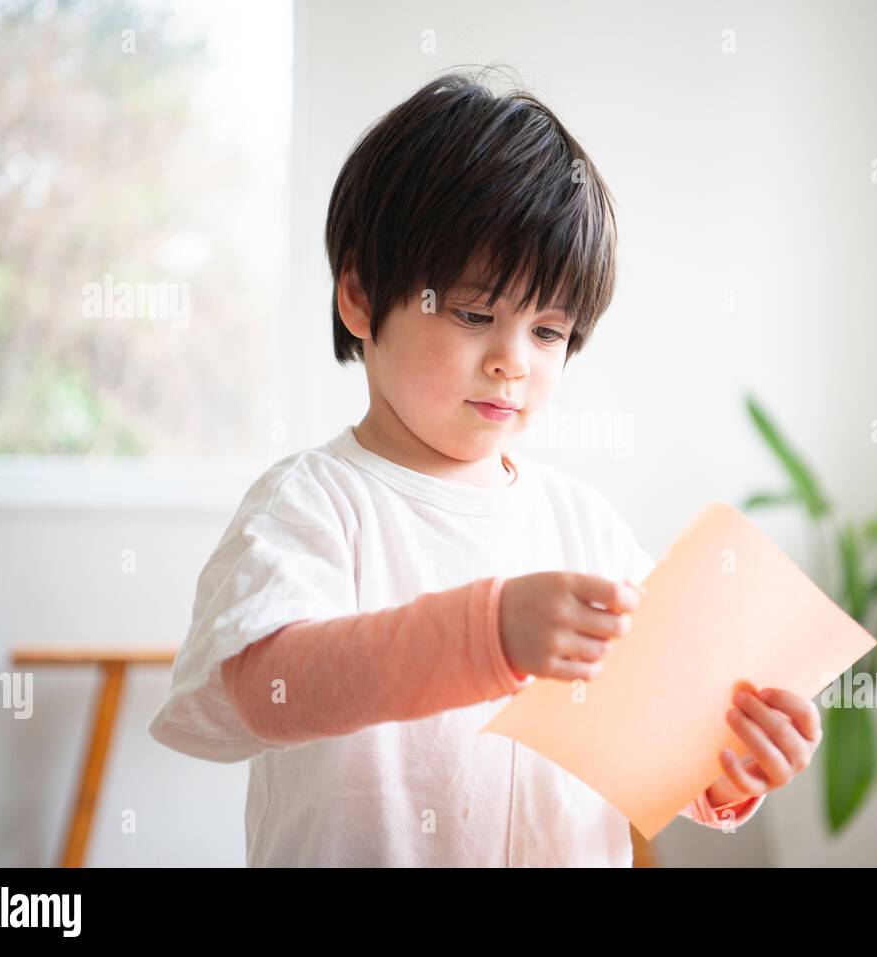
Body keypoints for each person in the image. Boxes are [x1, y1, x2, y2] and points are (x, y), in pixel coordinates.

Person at [149, 68, 823, 866]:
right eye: (474, 315)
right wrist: (488, 633)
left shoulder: (584, 527)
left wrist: (730, 759)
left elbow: (651, 735)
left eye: (547, 332)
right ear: (361, 298)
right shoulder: (313, 503)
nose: (513, 362)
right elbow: (265, 688)